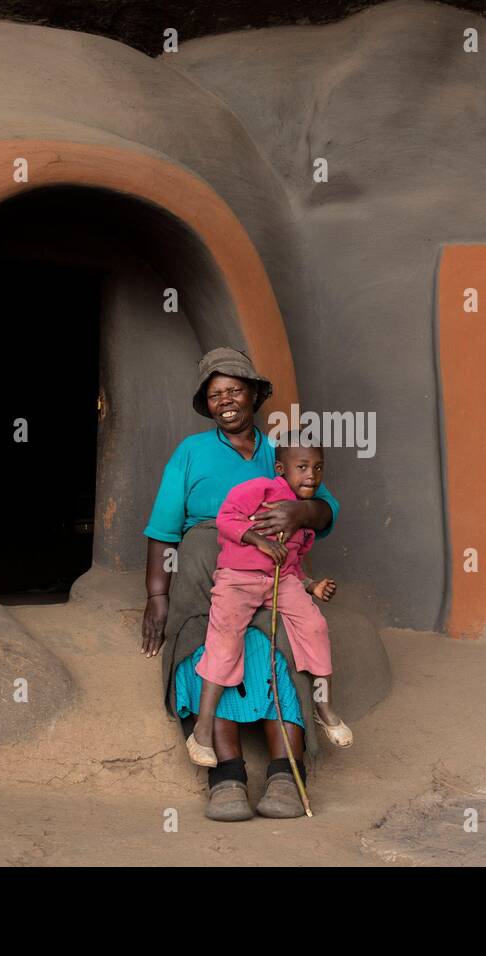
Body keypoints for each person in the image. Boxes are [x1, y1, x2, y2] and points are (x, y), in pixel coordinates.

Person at [141, 348, 340, 821]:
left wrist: (299, 511)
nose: (226, 401)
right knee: (202, 642)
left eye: (234, 390)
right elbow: (163, 528)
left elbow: (327, 510)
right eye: (215, 395)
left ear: (254, 394)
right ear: (207, 405)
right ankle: (226, 776)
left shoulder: (282, 453)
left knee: (279, 646)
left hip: (272, 568)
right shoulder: (190, 453)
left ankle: (286, 776)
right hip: (202, 565)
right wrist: (156, 596)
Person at [185, 438, 352, 768]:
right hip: (238, 578)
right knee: (225, 643)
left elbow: (294, 564)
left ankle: (324, 708)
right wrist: (259, 540)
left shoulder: (306, 517)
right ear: (281, 469)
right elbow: (226, 518)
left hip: (282, 582)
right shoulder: (259, 489)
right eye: (302, 467)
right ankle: (202, 731)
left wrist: (310, 586)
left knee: (315, 626)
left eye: (318, 468)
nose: (311, 476)